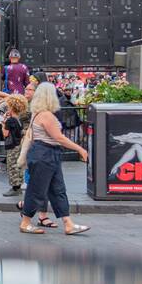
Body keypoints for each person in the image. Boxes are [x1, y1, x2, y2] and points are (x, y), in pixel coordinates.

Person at [19, 83, 90, 236]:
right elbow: (58, 137)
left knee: (57, 190)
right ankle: (25, 222)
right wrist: (80, 149)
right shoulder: (46, 115)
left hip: (45, 153)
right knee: (37, 190)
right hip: (45, 154)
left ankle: (68, 223)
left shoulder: (38, 113)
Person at [0, 93, 29, 197]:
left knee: (12, 166)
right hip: (18, 145)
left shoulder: (10, 120)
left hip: (12, 146)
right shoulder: (19, 119)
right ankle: (19, 186)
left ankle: (15, 188)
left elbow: (5, 133)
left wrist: (3, 123)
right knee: (18, 166)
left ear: (11, 107)